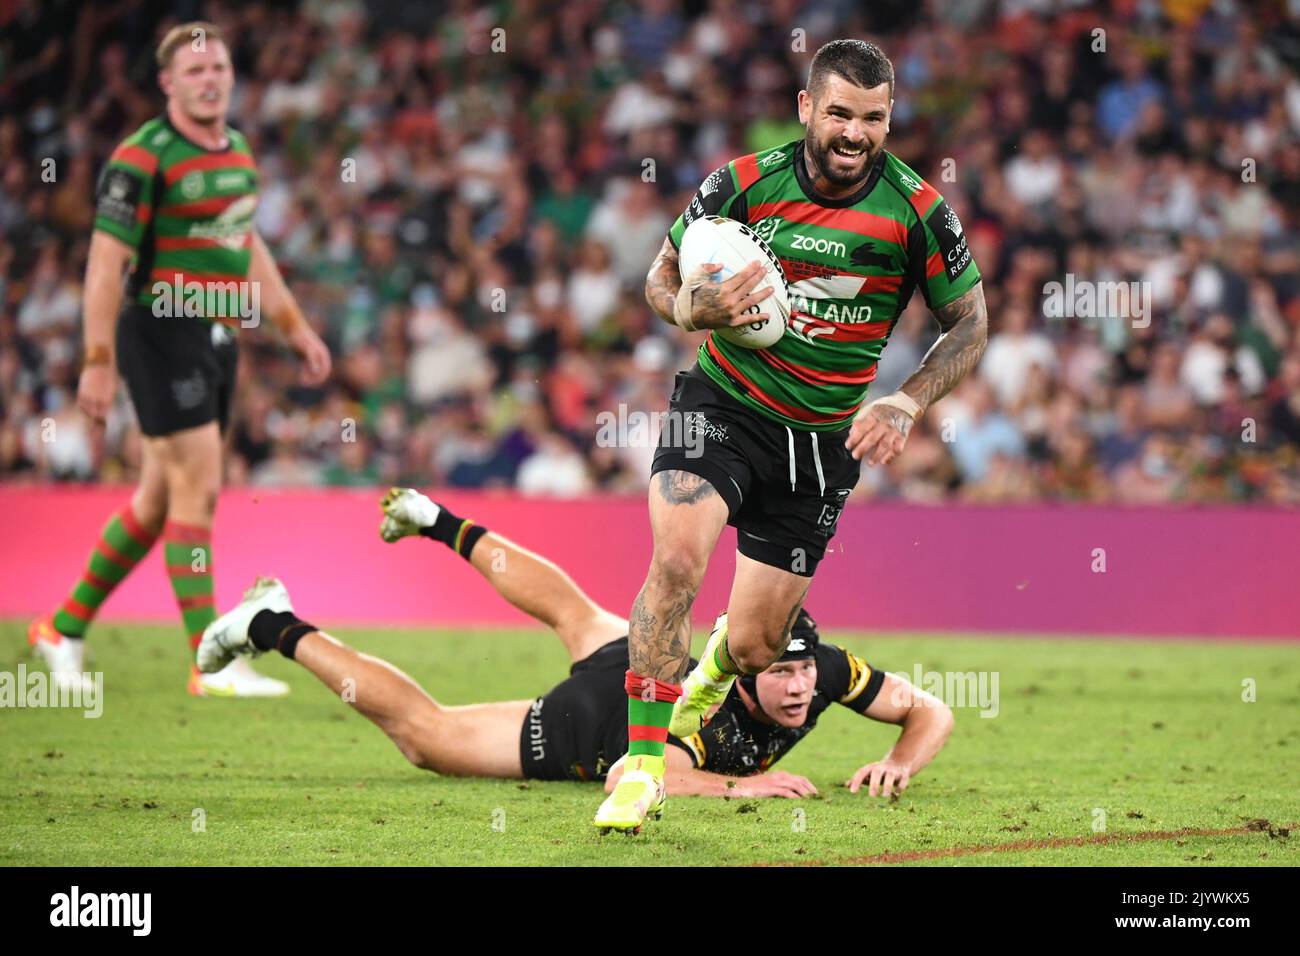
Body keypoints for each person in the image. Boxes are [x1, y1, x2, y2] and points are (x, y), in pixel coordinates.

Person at [595, 38, 988, 830]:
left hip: (819, 447)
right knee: (676, 560)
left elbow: (970, 324)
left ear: (888, 119)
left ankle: (706, 673)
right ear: (807, 107)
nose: (855, 133)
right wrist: (686, 311)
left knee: (753, 645)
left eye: (873, 119)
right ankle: (641, 769)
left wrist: (907, 402)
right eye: (840, 112)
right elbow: (660, 276)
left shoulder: (916, 211)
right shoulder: (741, 183)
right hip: (724, 404)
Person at [197, 489, 953, 815]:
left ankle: (436, 519)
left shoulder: (821, 670)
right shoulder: (706, 710)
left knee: (572, 612)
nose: (795, 688)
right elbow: (634, 770)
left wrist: (901, 761)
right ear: (743, 665)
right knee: (427, 738)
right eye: (777, 671)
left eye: (800, 670)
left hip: (645, 654)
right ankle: (271, 624)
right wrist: (739, 790)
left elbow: (929, 712)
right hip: (597, 724)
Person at [28, 21, 331, 697]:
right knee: (199, 490)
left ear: (231, 75)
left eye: (217, 67)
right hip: (160, 332)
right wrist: (97, 358)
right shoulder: (142, 159)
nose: (209, 79)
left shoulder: (239, 153)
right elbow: (106, 265)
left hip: (217, 337)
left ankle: (61, 628)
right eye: (193, 71)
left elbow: (245, 245)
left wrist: (294, 326)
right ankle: (208, 660)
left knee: (160, 498)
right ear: (167, 83)